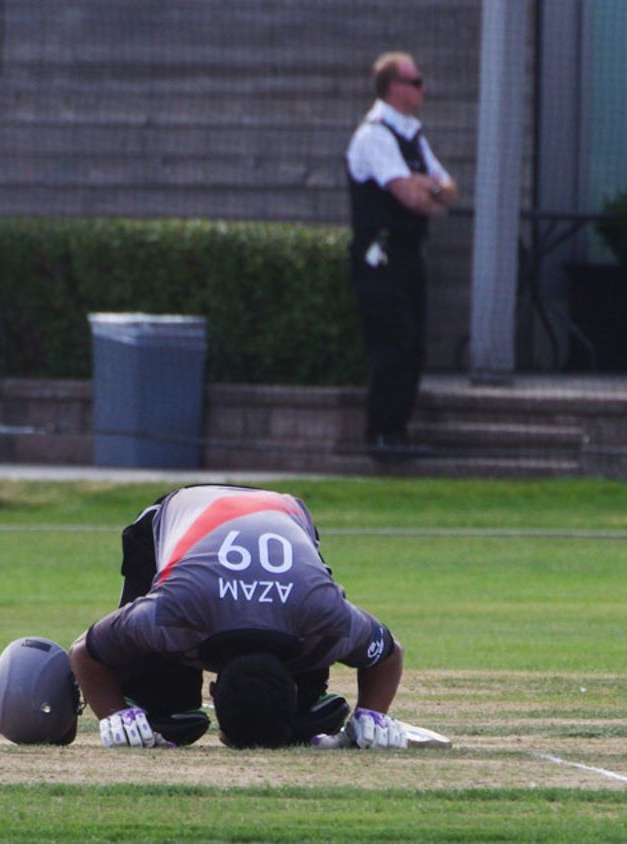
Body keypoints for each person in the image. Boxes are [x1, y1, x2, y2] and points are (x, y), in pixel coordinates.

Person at [65, 484, 409, 749]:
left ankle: (301, 703)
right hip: (181, 512)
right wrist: (119, 712)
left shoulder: (327, 619)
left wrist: (371, 715)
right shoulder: (170, 612)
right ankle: (301, 705)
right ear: (212, 692)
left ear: (212, 692)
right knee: (164, 714)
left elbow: (390, 653)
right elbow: (86, 652)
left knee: (186, 718)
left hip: (285, 519)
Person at [345, 51, 458, 455]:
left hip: (409, 254)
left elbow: (449, 192)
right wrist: (426, 188)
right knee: (391, 342)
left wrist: (424, 187)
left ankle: (398, 433)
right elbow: (409, 196)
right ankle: (379, 433)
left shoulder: (412, 136)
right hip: (380, 256)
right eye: (416, 81)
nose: (423, 89)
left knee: (413, 346)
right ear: (395, 88)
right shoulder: (374, 135)